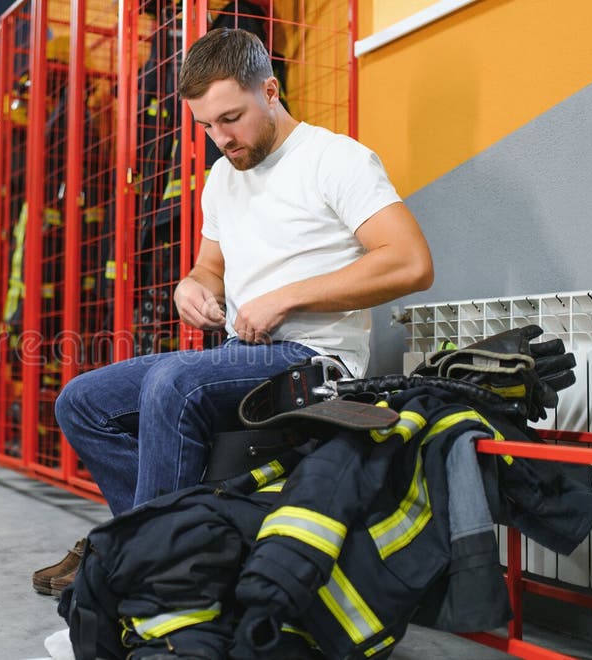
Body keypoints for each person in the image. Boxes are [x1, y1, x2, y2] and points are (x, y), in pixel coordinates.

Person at [32, 27, 433, 596]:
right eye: (205, 126)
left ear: (270, 91)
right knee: (81, 402)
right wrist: (190, 289)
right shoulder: (222, 178)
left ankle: (146, 563)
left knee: (174, 381)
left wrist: (288, 296)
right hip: (242, 353)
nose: (221, 138)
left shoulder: (335, 158)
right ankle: (166, 540)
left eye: (231, 118)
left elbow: (411, 262)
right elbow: (208, 269)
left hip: (319, 364)